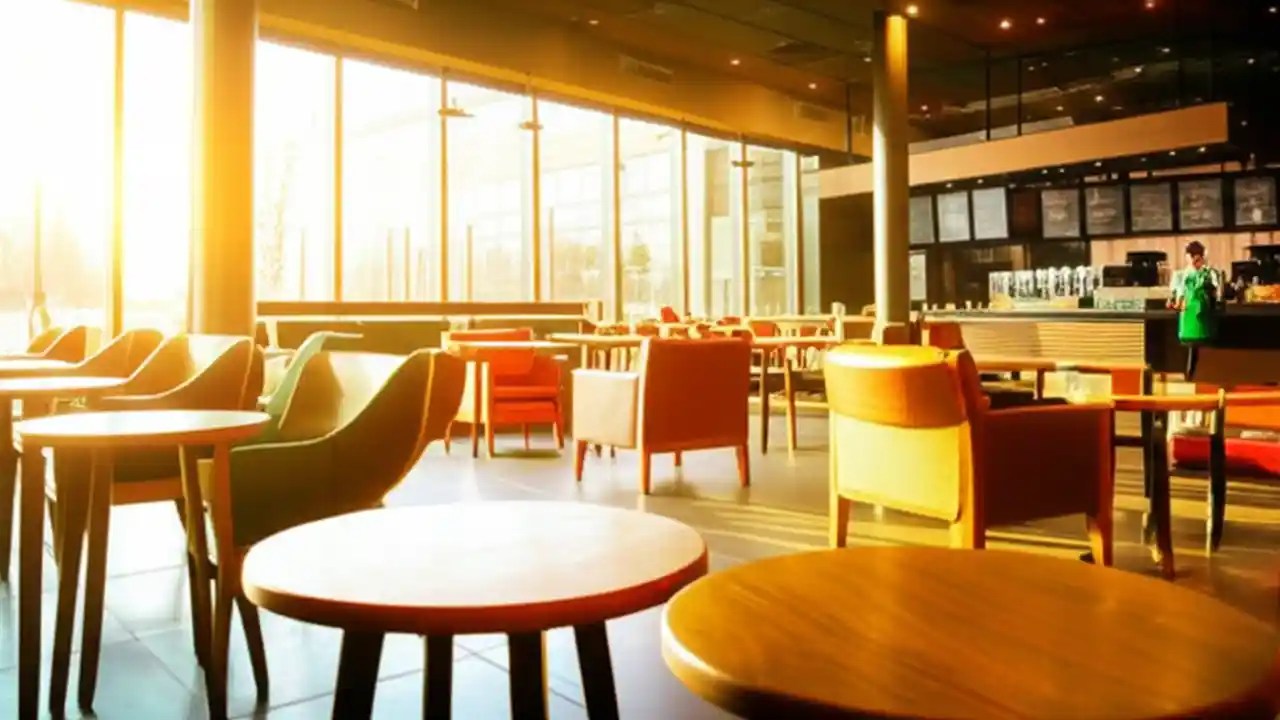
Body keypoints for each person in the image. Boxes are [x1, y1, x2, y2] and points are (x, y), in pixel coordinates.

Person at [1168, 240, 1222, 378]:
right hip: (1188, 318)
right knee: (1189, 348)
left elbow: (1218, 292)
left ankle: (1194, 375)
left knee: (1200, 349)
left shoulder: (1209, 273)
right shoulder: (1180, 275)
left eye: (1197, 256)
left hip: (1203, 318)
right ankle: (1188, 375)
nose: (1194, 259)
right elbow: (1174, 297)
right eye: (1191, 256)